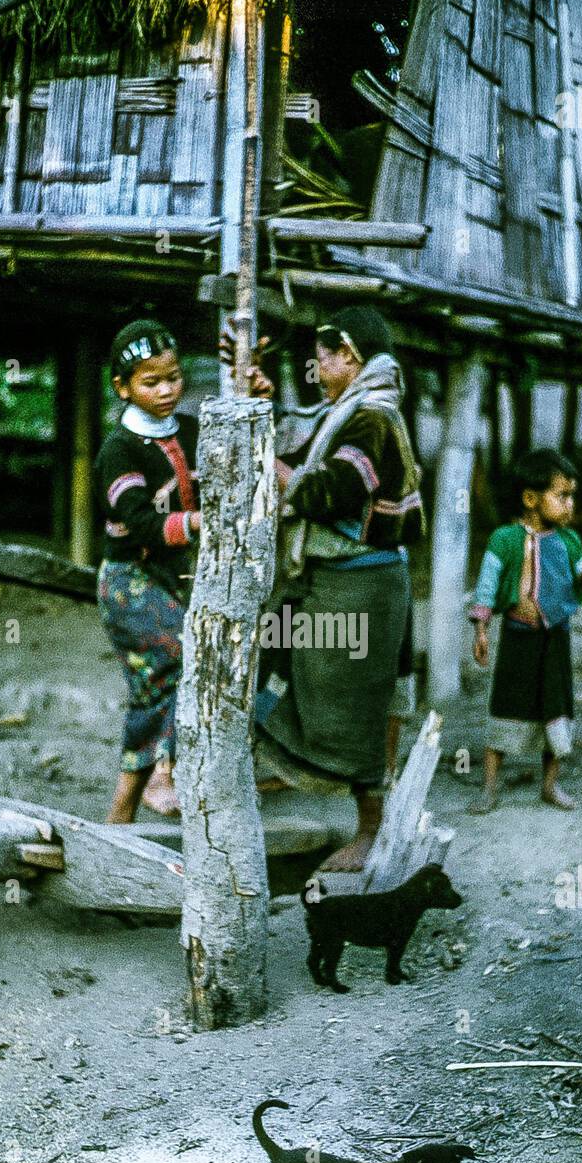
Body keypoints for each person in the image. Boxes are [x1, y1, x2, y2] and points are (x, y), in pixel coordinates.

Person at [223, 306, 424, 872]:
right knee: (274, 647)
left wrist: (262, 455)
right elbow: (303, 440)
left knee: (359, 703)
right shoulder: (348, 412)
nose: (316, 364)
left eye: (324, 354)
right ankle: (282, 765)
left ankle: (369, 829)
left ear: (352, 358)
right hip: (343, 578)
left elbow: (325, 491)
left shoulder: (373, 420)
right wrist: (259, 401)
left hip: (362, 586)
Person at [95, 320, 201, 823]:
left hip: (174, 578)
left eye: (173, 378)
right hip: (129, 583)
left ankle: (139, 800)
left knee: (192, 665)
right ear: (123, 387)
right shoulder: (118, 450)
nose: (166, 391)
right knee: (171, 665)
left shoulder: (193, 431)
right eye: (150, 382)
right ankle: (147, 788)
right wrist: (196, 521)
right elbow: (136, 522)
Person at [469, 450, 582, 813]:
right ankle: (489, 787)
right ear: (531, 499)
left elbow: (574, 568)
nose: (569, 504)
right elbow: (487, 584)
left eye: (571, 495)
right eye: (562, 495)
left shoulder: (568, 540)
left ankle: (550, 785)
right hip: (518, 636)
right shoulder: (504, 540)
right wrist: (481, 628)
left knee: (555, 705)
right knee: (506, 704)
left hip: (555, 637)